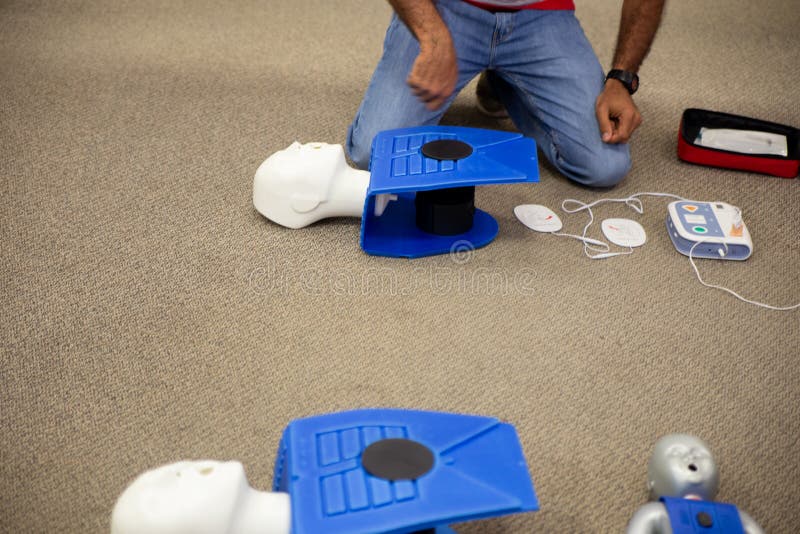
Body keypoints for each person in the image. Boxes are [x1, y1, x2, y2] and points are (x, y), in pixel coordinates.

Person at [346, 0, 666, 188]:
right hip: (445, 9)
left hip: (541, 13)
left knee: (604, 165)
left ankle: (504, 81)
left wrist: (622, 80)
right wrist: (432, 37)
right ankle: (499, 70)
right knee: (373, 154)